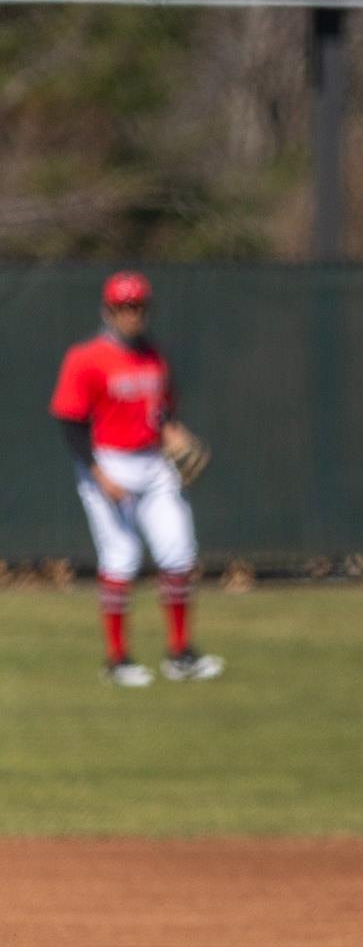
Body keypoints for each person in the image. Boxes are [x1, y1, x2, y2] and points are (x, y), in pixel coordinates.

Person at [49, 271, 224, 687]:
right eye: (125, 306)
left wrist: (171, 430)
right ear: (108, 310)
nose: (133, 314)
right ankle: (117, 659)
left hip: (153, 462)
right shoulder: (86, 357)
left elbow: (162, 411)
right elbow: (71, 422)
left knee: (179, 553)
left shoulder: (153, 356)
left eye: (139, 306)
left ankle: (180, 654)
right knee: (121, 558)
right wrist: (97, 475)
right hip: (107, 462)